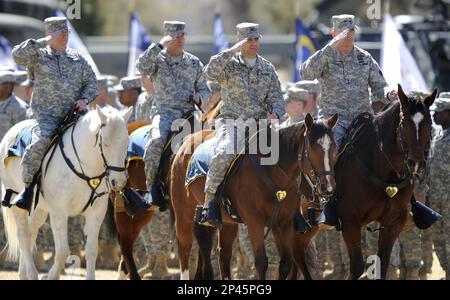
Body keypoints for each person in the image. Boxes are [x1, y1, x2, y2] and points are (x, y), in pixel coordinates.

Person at [301, 14, 398, 227]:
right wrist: (329, 47)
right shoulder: (325, 56)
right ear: (333, 34)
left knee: (392, 149)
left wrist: (389, 95)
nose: (349, 35)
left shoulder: (364, 58)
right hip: (334, 121)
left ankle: (405, 203)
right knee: (328, 153)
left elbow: (379, 85)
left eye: (351, 31)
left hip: (363, 120)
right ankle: (327, 205)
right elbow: (306, 71)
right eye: (344, 32)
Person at [199, 22, 285, 227]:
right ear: (239, 41)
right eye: (248, 40)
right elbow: (209, 73)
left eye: (256, 39)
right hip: (232, 122)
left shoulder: (267, 68)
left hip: (261, 124)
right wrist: (230, 52)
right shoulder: (228, 64)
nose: (254, 43)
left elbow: (277, 98)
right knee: (224, 153)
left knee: (288, 155)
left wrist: (276, 113)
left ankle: (291, 207)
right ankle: (209, 204)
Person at [10, 16, 98, 211]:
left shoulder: (78, 58)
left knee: (100, 141)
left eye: (67, 32)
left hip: (75, 116)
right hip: (47, 117)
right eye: (60, 33)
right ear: (49, 34)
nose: (65, 36)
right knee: (39, 144)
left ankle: (108, 190)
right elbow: (17, 55)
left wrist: (85, 99)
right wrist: (44, 41)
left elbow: (92, 84)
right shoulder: (38, 56)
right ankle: (28, 188)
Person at [136, 20, 210, 209]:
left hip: (189, 114)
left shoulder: (193, 62)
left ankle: (211, 192)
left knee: (211, 143)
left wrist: (200, 97)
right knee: (155, 142)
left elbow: (205, 89)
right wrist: (159, 45)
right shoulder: (157, 60)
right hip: (165, 113)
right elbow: (141, 66)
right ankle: (152, 189)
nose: (179, 39)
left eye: (182, 35)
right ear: (167, 37)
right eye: (175, 36)